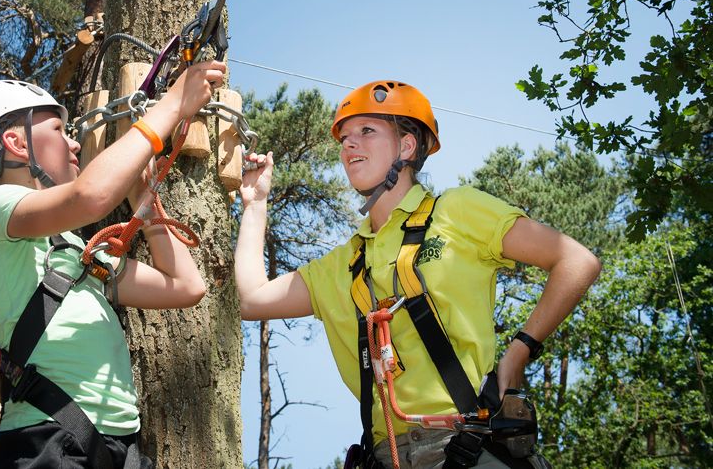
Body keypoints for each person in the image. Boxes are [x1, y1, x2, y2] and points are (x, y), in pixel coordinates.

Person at [234, 79, 601, 469]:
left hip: (469, 447)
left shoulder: (457, 212)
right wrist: (256, 204)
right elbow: (252, 299)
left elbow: (577, 262)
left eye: (366, 131)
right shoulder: (342, 264)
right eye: (344, 137)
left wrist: (521, 349)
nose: (347, 145)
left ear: (407, 146)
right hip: (385, 456)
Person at [0, 60, 226, 469]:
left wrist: (143, 192)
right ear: (17, 143)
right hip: (45, 442)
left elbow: (184, 286)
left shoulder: (72, 250)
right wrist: (172, 106)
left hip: (113, 449)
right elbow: (89, 197)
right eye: (58, 131)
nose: (74, 143)